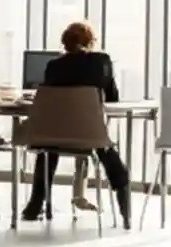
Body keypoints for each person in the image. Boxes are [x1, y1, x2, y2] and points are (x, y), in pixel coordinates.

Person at [20, 22, 132, 229]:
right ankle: (126, 215)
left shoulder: (53, 66)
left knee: (48, 149)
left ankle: (34, 206)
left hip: (52, 135)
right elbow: (113, 99)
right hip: (89, 135)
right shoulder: (102, 61)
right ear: (90, 42)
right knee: (107, 152)